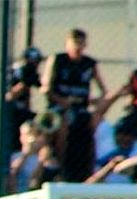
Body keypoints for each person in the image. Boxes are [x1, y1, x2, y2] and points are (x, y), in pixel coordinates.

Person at [41, 28, 107, 182]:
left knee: (94, 124)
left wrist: (93, 101)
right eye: (75, 43)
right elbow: (46, 89)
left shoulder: (89, 64)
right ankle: (62, 167)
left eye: (81, 43)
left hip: (80, 108)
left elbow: (103, 91)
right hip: (58, 108)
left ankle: (91, 170)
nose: (78, 47)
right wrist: (62, 101)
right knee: (62, 125)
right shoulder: (57, 60)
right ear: (67, 44)